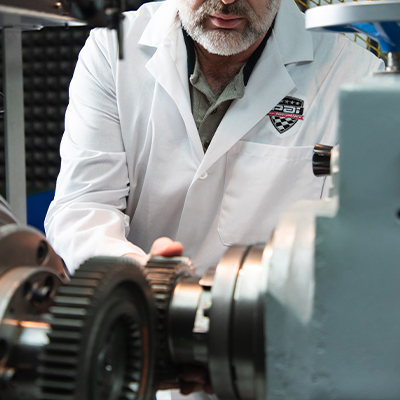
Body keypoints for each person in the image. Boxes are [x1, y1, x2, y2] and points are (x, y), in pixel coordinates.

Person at [44, 0, 383, 396]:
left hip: (272, 364)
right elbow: (84, 205)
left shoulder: (355, 75)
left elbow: (366, 262)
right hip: (142, 355)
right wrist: (141, 285)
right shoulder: (113, 47)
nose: (224, 0)